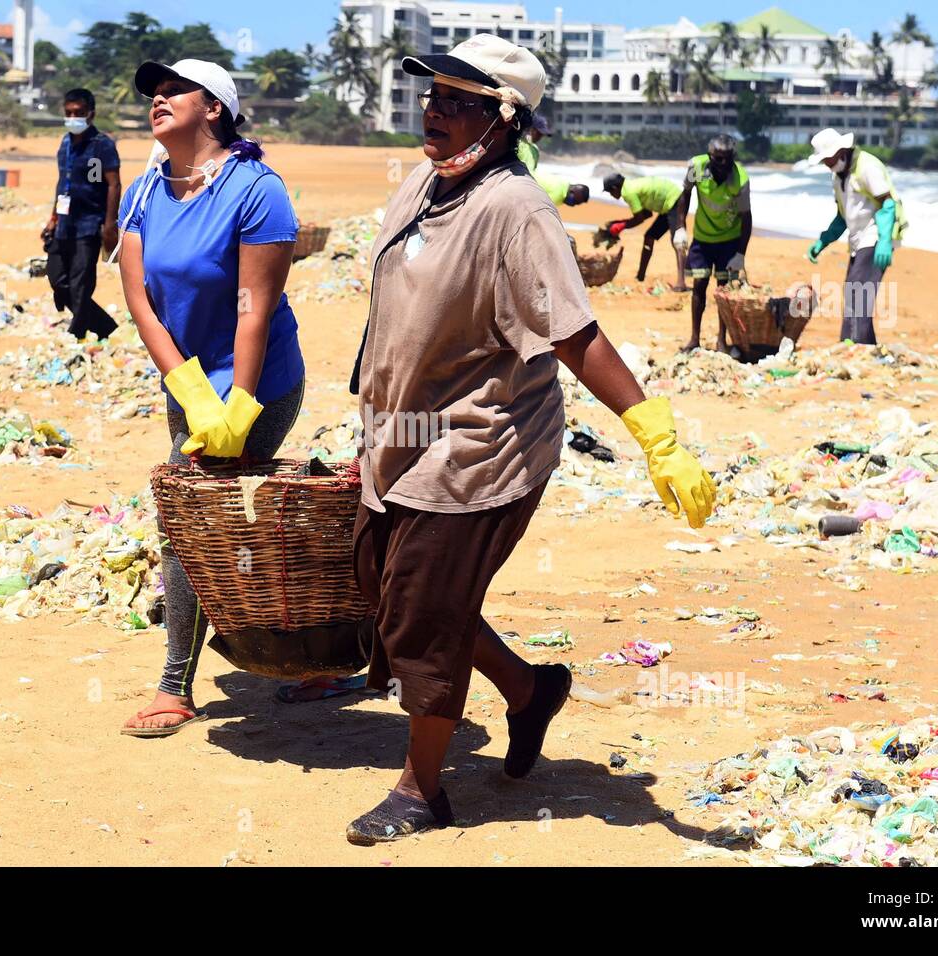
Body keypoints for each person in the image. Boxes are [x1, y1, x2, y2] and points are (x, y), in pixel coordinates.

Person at [344, 34, 716, 844]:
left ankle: (421, 791)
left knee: (423, 615)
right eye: (431, 97)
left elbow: (575, 335)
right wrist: (368, 424)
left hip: (482, 445)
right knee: (388, 588)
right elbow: (390, 316)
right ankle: (529, 689)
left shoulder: (517, 211)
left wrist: (655, 434)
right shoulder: (419, 184)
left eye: (456, 102)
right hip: (401, 435)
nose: (432, 112)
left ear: (504, 119)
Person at [114, 59, 308, 736]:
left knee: (189, 525)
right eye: (153, 93)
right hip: (189, 384)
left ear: (215, 109)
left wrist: (235, 404)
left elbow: (255, 308)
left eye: (174, 91)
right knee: (227, 523)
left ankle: (175, 687)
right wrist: (190, 390)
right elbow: (139, 300)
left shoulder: (258, 191)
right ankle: (325, 658)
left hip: (260, 383)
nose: (157, 100)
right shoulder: (142, 192)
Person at [805, 127, 905, 345]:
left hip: (876, 235)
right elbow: (843, 217)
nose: (826, 164)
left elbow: (888, 203)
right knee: (854, 291)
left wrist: (885, 240)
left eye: (828, 159)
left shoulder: (867, 166)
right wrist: (823, 240)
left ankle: (854, 346)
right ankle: (862, 345)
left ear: (841, 151)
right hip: (858, 240)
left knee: (858, 290)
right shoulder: (838, 176)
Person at [41, 88, 121, 341]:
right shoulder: (65, 143)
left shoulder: (102, 145)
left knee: (81, 282)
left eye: (79, 113)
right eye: (69, 113)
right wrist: (52, 218)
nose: (73, 117)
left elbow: (113, 184)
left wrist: (110, 225)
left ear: (91, 114)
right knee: (56, 278)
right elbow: (61, 183)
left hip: (89, 223)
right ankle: (105, 326)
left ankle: (78, 331)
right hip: (64, 222)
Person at [671, 134, 751, 352]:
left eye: (727, 159)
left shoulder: (740, 179)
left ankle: (721, 341)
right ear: (709, 156)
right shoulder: (696, 166)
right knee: (699, 287)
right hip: (703, 239)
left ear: (733, 157)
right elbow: (685, 195)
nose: (722, 164)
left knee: (723, 292)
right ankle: (694, 338)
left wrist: (741, 255)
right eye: (717, 159)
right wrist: (680, 227)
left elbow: (746, 218)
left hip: (729, 242)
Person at [598, 173, 687, 290]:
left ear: (615, 188)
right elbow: (646, 214)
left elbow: (639, 219)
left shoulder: (628, 192)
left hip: (676, 200)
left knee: (677, 241)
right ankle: (640, 276)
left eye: (610, 192)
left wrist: (621, 226)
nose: (611, 195)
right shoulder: (630, 186)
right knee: (649, 237)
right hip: (670, 203)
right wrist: (620, 223)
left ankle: (681, 282)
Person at [515, 113, 589, 207]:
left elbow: (533, 171)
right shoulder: (519, 144)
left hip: (528, 188)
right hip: (516, 184)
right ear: (531, 129)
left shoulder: (535, 150)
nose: (540, 137)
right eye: (539, 133)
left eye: (542, 135)